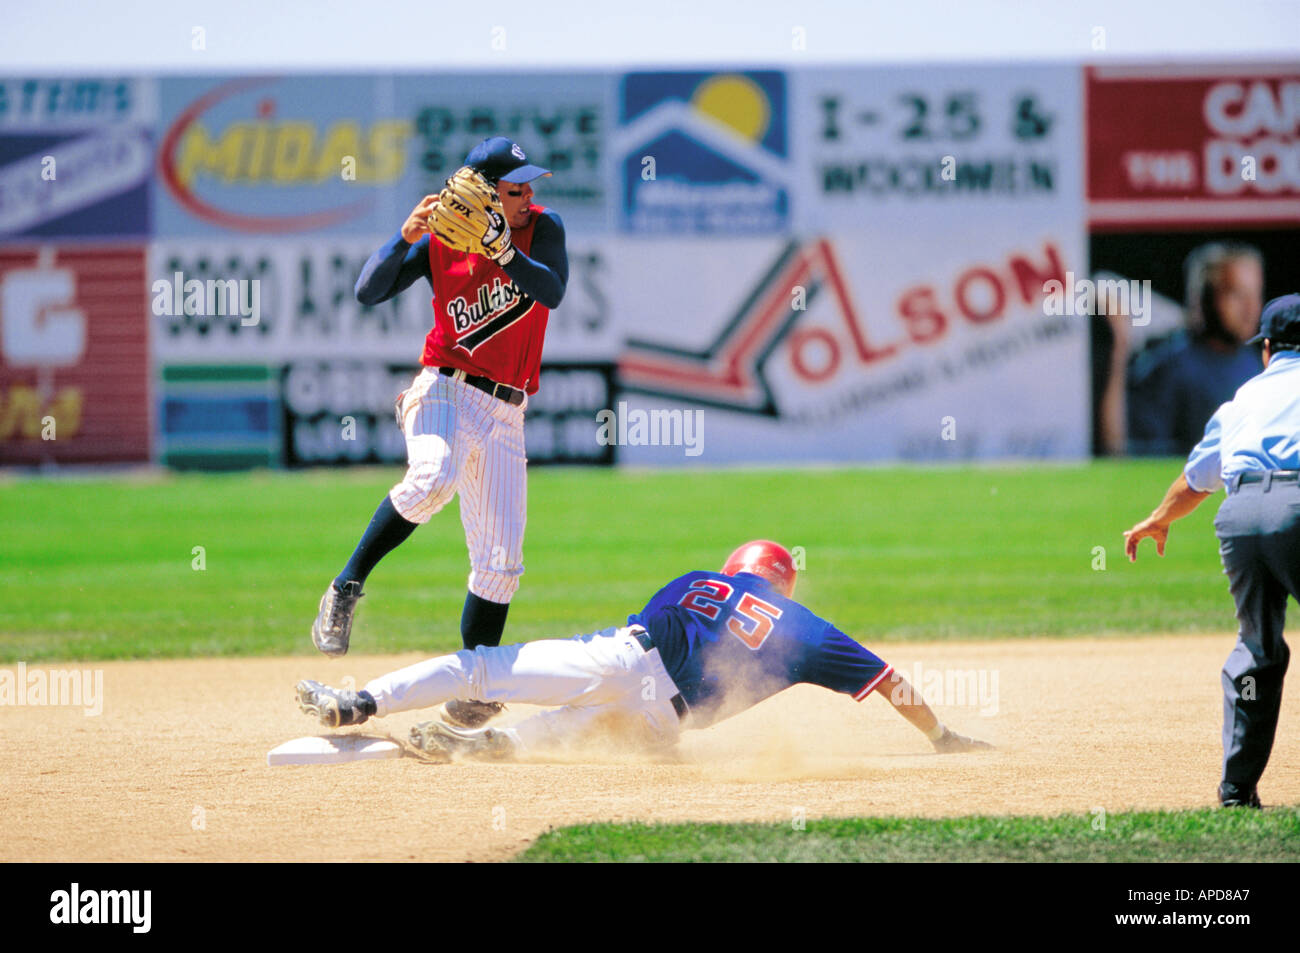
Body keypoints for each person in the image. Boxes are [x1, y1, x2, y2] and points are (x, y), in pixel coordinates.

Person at [295, 541, 994, 761]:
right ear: (784, 581)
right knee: (554, 738)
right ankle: (490, 741)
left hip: (622, 658)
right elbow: (890, 680)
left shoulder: (701, 578)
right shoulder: (806, 628)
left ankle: (360, 701)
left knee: (480, 663)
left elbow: (652, 627)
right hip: (666, 723)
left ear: (738, 566)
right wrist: (942, 735)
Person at [310, 136, 568, 731]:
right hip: (443, 390)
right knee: (433, 477)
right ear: (479, 193)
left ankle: (476, 689)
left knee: (501, 563)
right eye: (514, 188)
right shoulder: (439, 242)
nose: (528, 195)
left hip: (506, 412)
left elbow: (550, 290)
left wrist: (503, 250)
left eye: (530, 185)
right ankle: (346, 587)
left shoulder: (542, 230)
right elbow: (367, 291)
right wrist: (403, 237)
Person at [1123, 294, 1300, 809]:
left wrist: (1158, 520)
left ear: (1267, 349)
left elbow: (1197, 480)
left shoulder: (1242, 398)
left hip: (1241, 514)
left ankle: (1236, 790)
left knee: (1257, 649)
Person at [1127, 242, 1264, 456]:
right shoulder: (1166, 369)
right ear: (1203, 298)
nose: (1250, 308)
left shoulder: (1256, 364)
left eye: (1255, 294)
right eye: (1236, 295)